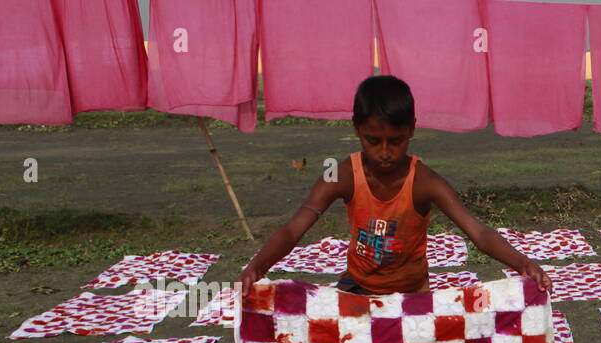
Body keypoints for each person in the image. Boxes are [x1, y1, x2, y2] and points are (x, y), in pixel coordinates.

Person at [236, 75, 552, 296]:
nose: (385, 152)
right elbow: (294, 229)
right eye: (374, 141)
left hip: (411, 293)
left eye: (396, 141)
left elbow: (479, 233)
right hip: (356, 287)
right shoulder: (341, 174)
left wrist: (525, 264)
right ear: (357, 130)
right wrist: (257, 267)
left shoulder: (425, 182)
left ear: (412, 130)